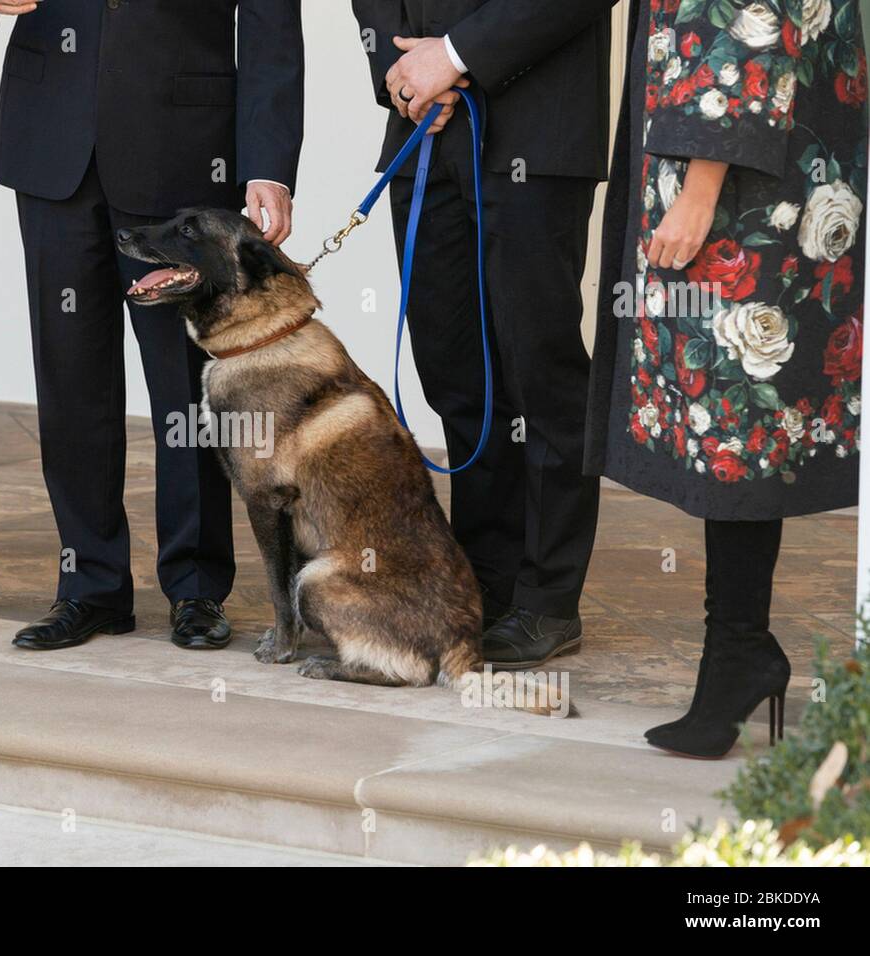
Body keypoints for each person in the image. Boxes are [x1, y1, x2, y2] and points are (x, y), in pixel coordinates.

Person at [0, 0, 305, 651]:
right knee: (71, 379)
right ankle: (89, 584)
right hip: (52, 140)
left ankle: (196, 586)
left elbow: (270, 20)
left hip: (186, 149)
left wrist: (268, 165)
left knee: (186, 388)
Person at [586, 0, 866, 758]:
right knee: (740, 428)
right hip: (754, 166)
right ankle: (739, 651)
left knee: (739, 422)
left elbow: (753, 19)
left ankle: (738, 653)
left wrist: (700, 187)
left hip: (743, 186)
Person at [352, 0, 616, 668]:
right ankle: (485, 582)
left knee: (538, 368)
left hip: (536, 127)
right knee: (452, 368)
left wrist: (458, 55)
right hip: (423, 136)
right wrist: (407, 71)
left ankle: (547, 596)